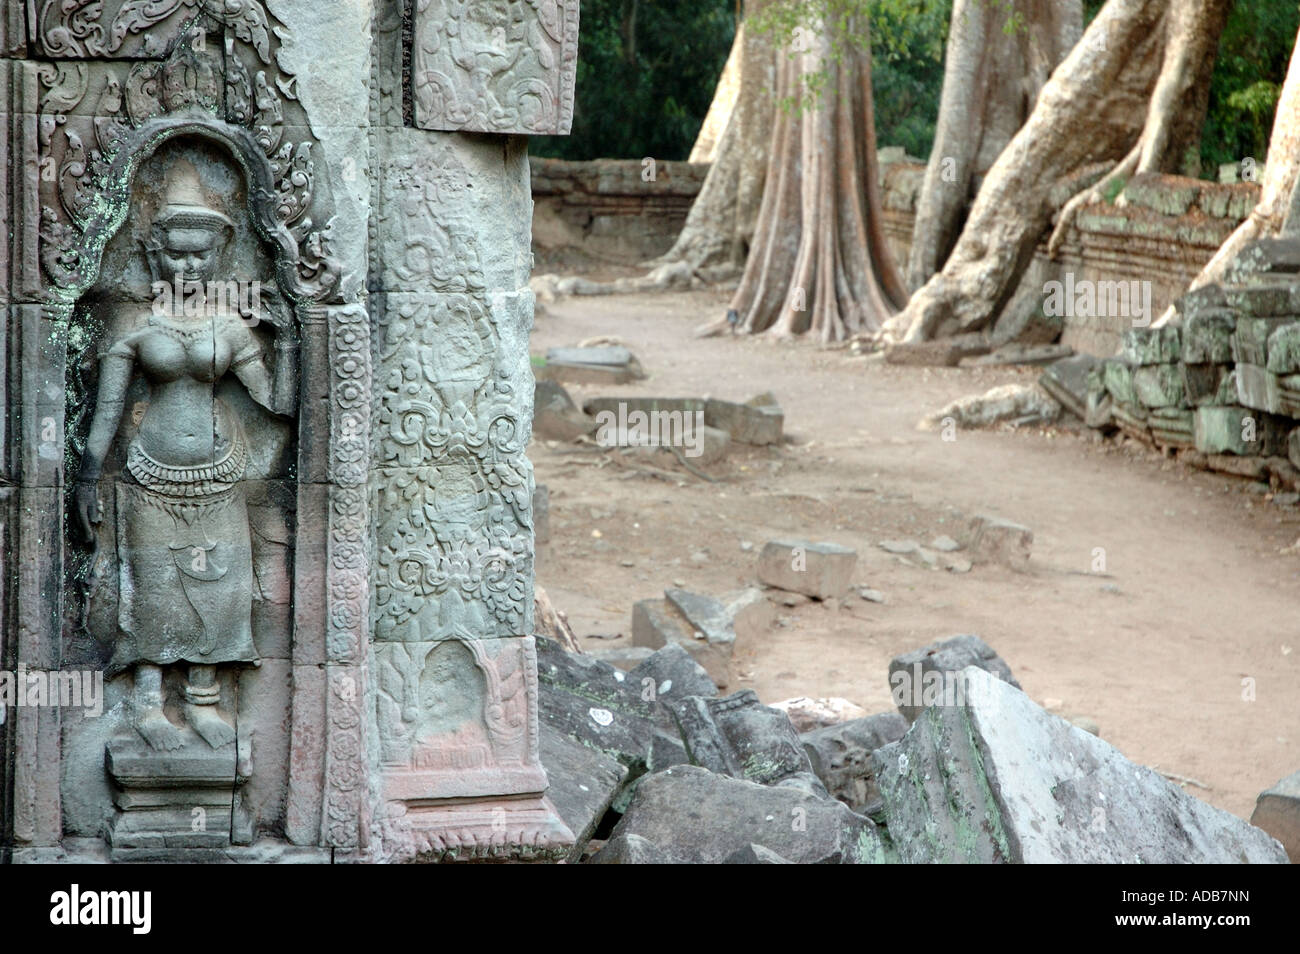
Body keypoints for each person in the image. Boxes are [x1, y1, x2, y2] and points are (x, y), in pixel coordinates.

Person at [74, 160, 295, 750]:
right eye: (178, 256)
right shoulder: (136, 325)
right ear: (156, 255)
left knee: (220, 588)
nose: (190, 267)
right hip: (150, 475)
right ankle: (149, 704)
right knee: (153, 588)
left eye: (202, 256)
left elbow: (275, 402)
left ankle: (203, 700)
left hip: (218, 476)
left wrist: (293, 338)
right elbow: (107, 414)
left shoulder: (232, 326)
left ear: (218, 259)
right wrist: (87, 478)